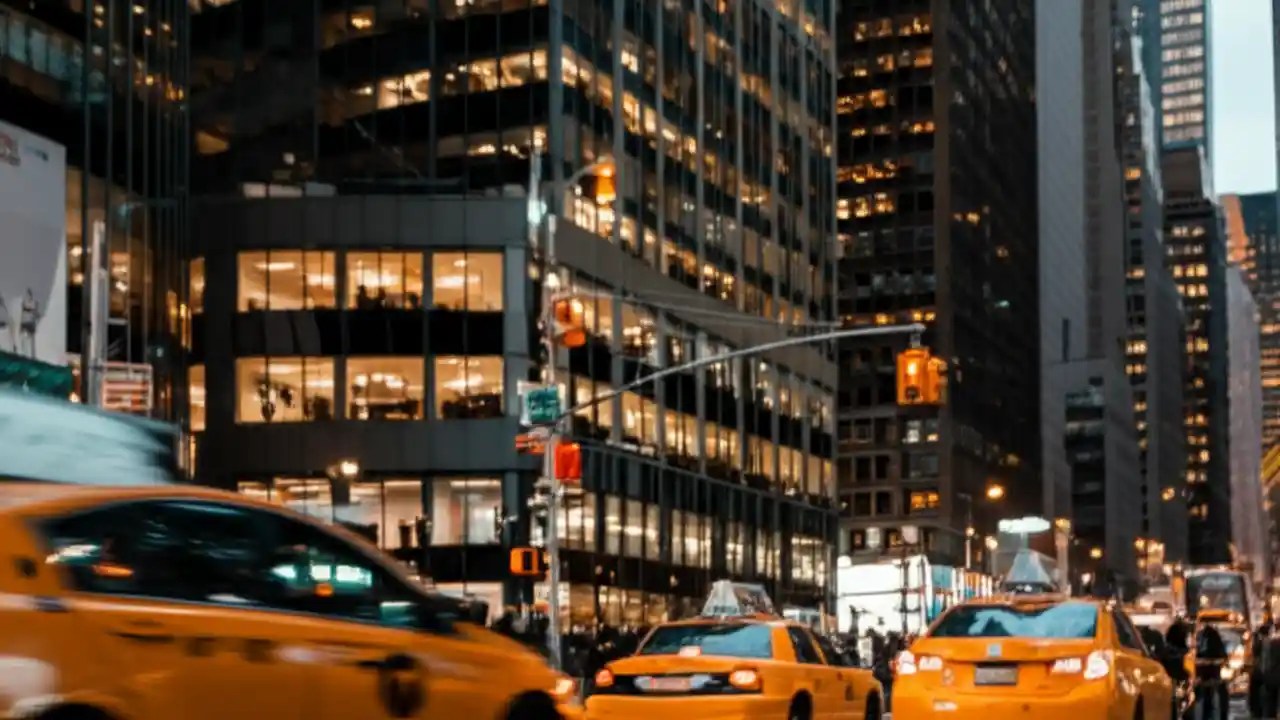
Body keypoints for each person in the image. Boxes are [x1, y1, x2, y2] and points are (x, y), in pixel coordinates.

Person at [1195, 622, 1230, 720]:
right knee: (1220, 692)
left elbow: (1197, 655)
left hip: (1203, 673)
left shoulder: (1201, 639)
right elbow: (1223, 655)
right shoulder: (1216, 640)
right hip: (1215, 672)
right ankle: (1222, 715)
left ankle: (1206, 713)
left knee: (1205, 695)